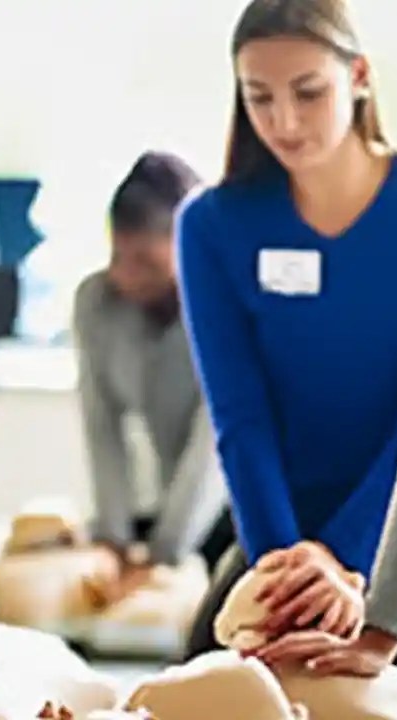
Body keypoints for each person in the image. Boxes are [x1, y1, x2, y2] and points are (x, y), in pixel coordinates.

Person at [175, 1, 397, 718]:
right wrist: (289, 570)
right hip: (278, 541)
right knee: (201, 682)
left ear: (358, 77)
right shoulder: (209, 226)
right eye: (259, 97)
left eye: (307, 92)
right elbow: (240, 421)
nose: (284, 121)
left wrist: (353, 563)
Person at [73, 151, 234, 598]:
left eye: (143, 258)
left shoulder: (229, 304)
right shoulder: (97, 302)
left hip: (244, 516)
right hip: (171, 510)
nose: (125, 275)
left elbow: (216, 444)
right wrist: (115, 540)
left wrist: (164, 554)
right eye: (117, 254)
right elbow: (102, 428)